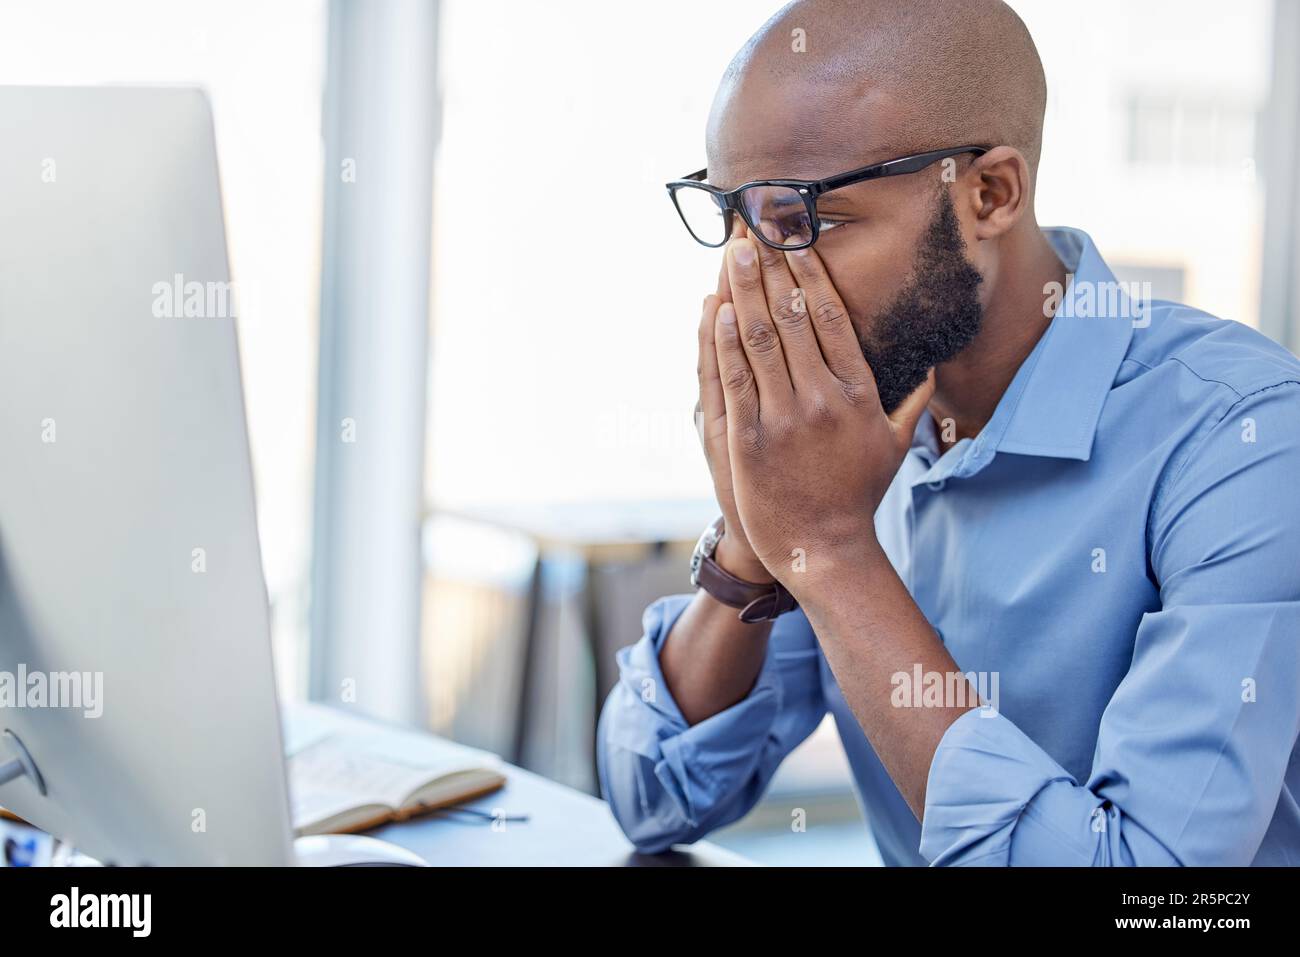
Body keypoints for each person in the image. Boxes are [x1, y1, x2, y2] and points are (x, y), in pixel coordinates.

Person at [596, 0, 1300, 865]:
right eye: (732, 216)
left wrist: (830, 545)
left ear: (990, 194)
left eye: (802, 218)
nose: (752, 277)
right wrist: (752, 538)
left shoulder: (1246, 438)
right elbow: (653, 796)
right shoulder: (847, 430)